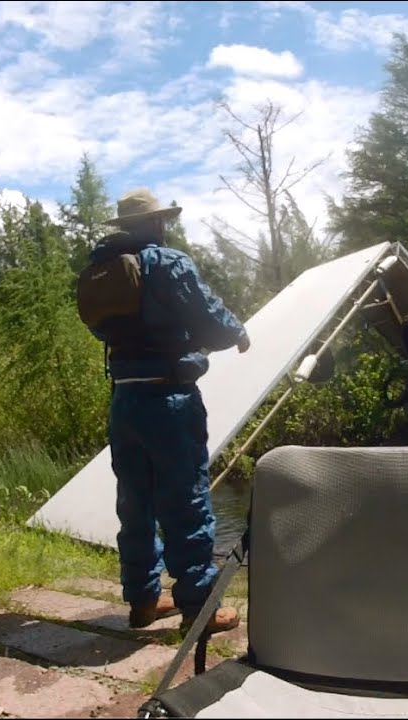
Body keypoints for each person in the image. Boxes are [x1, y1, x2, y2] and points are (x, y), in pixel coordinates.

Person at [81, 188, 250, 634]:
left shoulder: (103, 271)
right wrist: (237, 332)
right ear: (157, 223)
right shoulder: (168, 263)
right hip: (169, 400)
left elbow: (103, 330)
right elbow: (209, 319)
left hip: (124, 400)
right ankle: (199, 609)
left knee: (134, 503)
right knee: (186, 501)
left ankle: (143, 602)